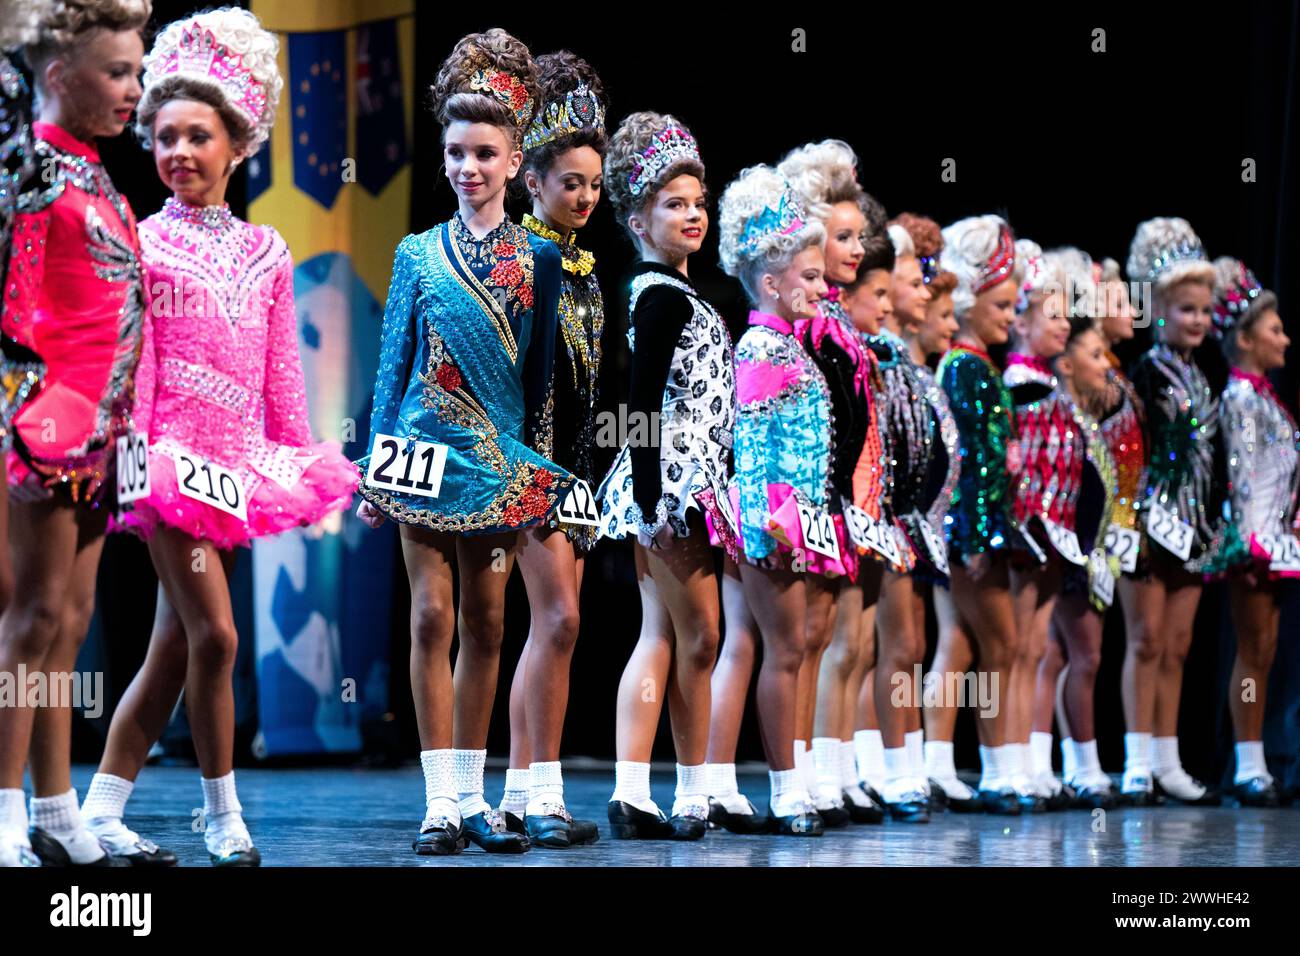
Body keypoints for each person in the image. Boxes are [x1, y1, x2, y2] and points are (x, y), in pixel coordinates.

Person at [80, 7, 358, 867]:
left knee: (178, 643)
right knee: (220, 639)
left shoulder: (268, 249)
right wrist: (142, 464)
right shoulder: (144, 242)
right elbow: (139, 369)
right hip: (169, 463)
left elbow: (281, 374)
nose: (177, 155)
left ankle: (100, 809)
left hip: (238, 470)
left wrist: (298, 464)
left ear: (237, 143)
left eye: (197, 137)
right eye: (162, 138)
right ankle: (222, 813)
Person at [354, 28, 573, 856]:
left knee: (487, 623)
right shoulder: (415, 254)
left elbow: (542, 380)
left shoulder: (540, 261)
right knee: (430, 617)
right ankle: (439, 802)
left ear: (517, 160)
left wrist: (541, 477)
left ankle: (477, 797)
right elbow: (392, 369)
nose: (467, 168)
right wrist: (375, 468)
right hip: (419, 458)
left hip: (498, 466)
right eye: (454, 152)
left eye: (485, 152)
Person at [0, 0, 150, 869]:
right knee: (33, 616)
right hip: (48, 422)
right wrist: (28, 416)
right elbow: (15, 310)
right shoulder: (37, 177)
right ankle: (7, 804)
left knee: (74, 620)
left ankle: (57, 805)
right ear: (59, 78)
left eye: (136, 71)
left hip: (104, 428)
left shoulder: (98, 174)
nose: (134, 89)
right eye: (118, 73)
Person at [598, 112, 734, 840]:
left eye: (698, 203)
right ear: (638, 218)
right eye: (672, 204)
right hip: (671, 484)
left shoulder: (679, 293)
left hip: (689, 481)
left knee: (675, 635)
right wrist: (652, 497)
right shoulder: (656, 298)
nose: (691, 215)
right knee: (695, 635)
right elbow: (640, 404)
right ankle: (678, 789)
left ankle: (650, 790)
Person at [500, 49, 608, 848]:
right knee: (557, 618)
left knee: (555, 628)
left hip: (573, 469)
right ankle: (541, 792)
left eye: (595, 185)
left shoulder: (585, 268)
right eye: (569, 182)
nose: (584, 196)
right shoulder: (528, 259)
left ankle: (521, 788)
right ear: (531, 181)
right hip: (525, 463)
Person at [717, 163, 833, 835]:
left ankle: (800, 780)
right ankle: (786, 790)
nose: (822, 287)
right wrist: (775, 526)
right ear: (769, 283)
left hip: (797, 523)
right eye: (810, 277)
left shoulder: (790, 346)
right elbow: (756, 451)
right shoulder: (764, 346)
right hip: (772, 527)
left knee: (796, 647)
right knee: (783, 650)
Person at [1127, 217, 1242, 806]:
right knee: (1144, 641)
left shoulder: (1204, 376)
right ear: (1158, 309)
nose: (1197, 321)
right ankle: (1134, 761)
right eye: (1186, 309)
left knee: (1177, 645)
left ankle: (1168, 759)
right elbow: (1135, 450)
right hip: (1151, 529)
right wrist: (1138, 522)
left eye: (1204, 310)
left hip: (1194, 528)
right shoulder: (1144, 375)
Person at [937, 215, 1026, 814]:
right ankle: (998, 769)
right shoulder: (965, 367)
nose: (1012, 317)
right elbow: (966, 461)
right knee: (1002, 645)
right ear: (971, 303)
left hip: (982, 527)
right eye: (1003, 304)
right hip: (973, 529)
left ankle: (964, 764)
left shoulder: (980, 365)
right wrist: (972, 532)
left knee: (973, 646)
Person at [1213, 256, 1295, 807]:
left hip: (1276, 536)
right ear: (1245, 339)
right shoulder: (1241, 399)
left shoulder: (1264, 396)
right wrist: (1250, 544)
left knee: (1265, 651)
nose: (1285, 339)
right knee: (1253, 649)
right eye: (1275, 330)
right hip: (1254, 540)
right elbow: (1241, 474)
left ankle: (1256, 760)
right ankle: (1248, 765)